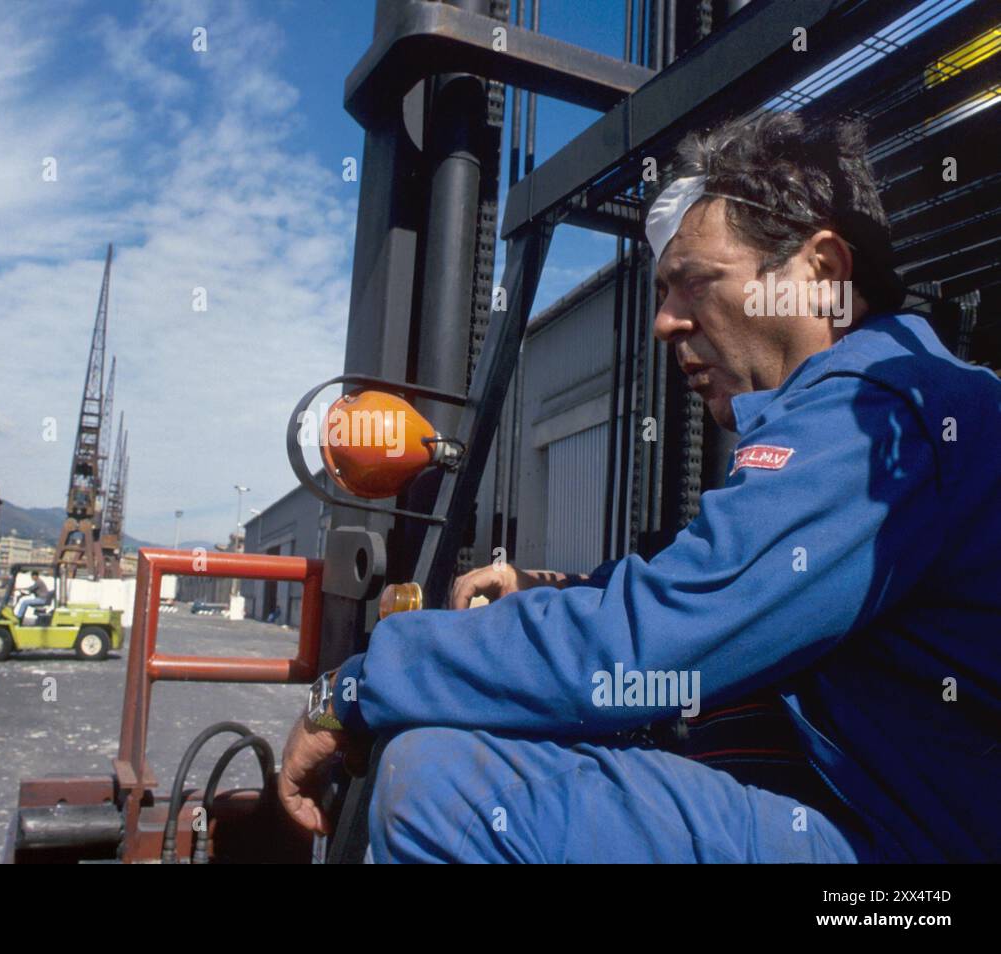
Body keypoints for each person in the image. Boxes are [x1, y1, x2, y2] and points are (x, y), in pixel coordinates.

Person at [278, 111, 1001, 863]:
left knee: (435, 784)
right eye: (661, 291)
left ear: (819, 277)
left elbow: (645, 644)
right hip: (895, 817)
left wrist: (361, 686)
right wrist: (554, 589)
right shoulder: (901, 399)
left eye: (694, 284)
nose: (663, 322)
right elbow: (701, 594)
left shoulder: (878, 413)